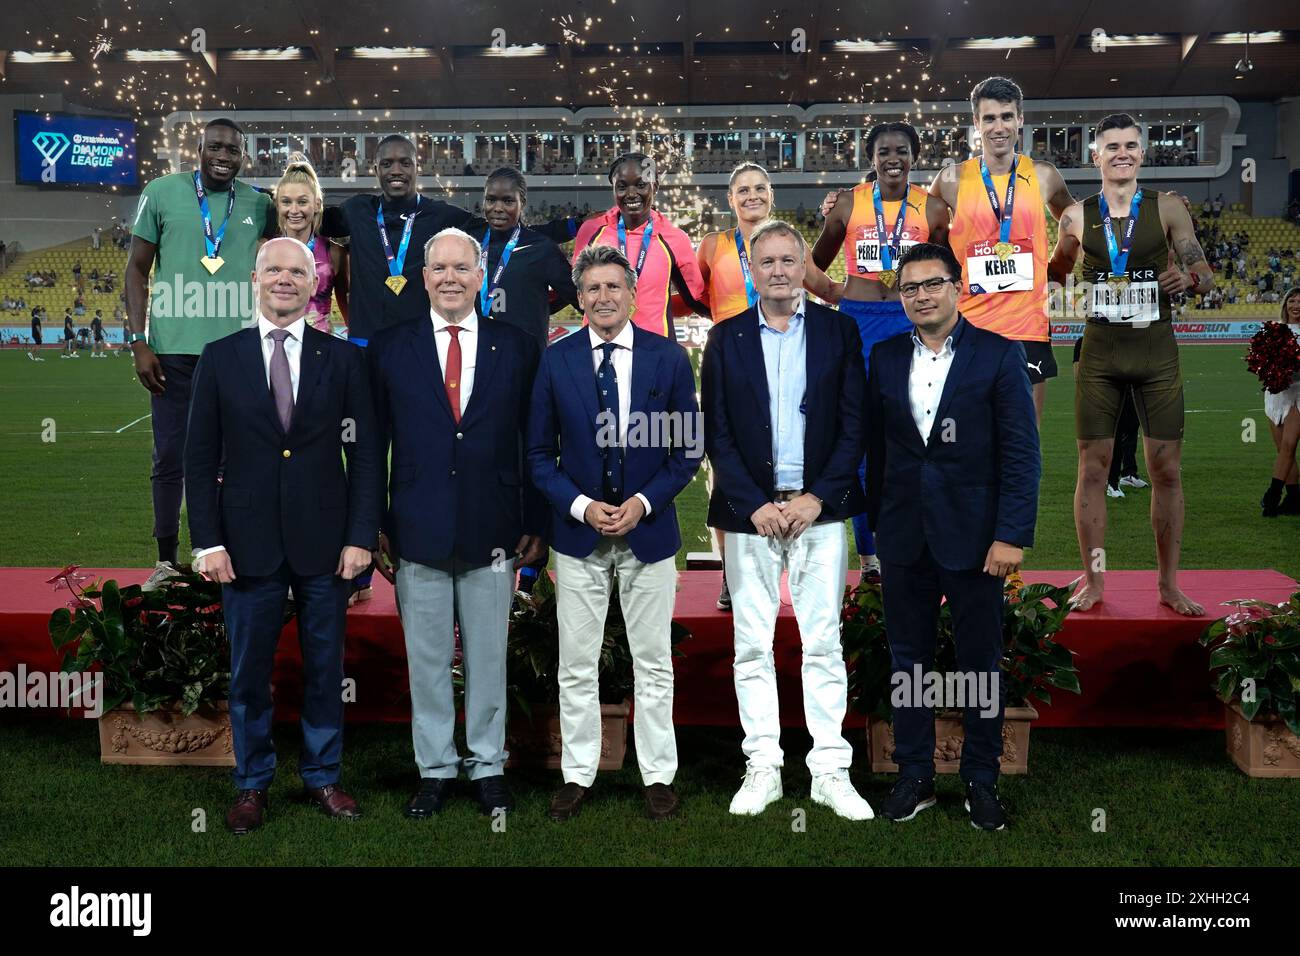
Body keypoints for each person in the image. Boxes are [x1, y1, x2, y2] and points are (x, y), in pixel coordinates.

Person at [184, 237, 381, 835]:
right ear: (255, 278)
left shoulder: (342, 359)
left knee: (325, 667)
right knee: (248, 674)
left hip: (326, 543)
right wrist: (207, 542)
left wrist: (360, 536)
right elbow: (197, 459)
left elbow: (367, 455)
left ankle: (323, 777)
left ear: (314, 282)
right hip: (245, 547)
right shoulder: (219, 357)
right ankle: (251, 783)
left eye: (298, 271)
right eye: (275, 270)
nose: (286, 280)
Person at [368, 228, 546, 819]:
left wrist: (536, 518)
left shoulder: (516, 346)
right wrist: (373, 522)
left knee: (489, 654)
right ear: (424, 278)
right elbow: (371, 447)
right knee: (427, 657)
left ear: (479, 275)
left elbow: (538, 443)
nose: (450, 277)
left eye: (461, 268)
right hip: (416, 525)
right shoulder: (391, 347)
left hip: (495, 528)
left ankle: (488, 764)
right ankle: (436, 768)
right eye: (439, 268)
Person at [701, 220, 874, 821]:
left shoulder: (840, 331)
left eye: (787, 260)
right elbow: (715, 431)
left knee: (823, 641)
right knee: (751, 644)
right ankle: (764, 765)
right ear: (750, 270)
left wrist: (816, 499)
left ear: (804, 267)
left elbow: (855, 427)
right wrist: (751, 502)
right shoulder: (724, 339)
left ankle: (829, 768)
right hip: (749, 514)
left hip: (817, 513)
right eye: (765, 261)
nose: (777, 270)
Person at [865, 242, 1040, 830]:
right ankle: (914, 775)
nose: (920, 295)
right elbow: (879, 451)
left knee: (980, 665)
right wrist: (878, 528)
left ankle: (981, 778)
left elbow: (1021, 453)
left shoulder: (997, 354)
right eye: (909, 288)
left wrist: (1011, 534)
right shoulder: (885, 357)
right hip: (904, 538)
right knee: (909, 662)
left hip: (977, 540)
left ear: (956, 287)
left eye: (931, 284)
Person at [527, 244, 701, 821]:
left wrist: (643, 503)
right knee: (576, 662)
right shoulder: (556, 360)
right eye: (593, 289)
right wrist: (580, 507)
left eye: (613, 287)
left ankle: (658, 775)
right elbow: (537, 456)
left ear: (633, 294)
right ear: (578, 300)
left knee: (653, 662)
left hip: (648, 537)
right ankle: (579, 773)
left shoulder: (668, 359)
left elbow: (686, 452)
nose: (603, 297)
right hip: (579, 538)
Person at [1049, 113, 1213, 616]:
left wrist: (1189, 280)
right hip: (1099, 353)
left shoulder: (1167, 208)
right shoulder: (1075, 216)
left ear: (1142, 153)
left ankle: (1168, 583)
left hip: (1156, 352)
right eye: (1111, 146)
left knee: (1166, 469)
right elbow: (1056, 276)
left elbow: (1204, 275)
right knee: (1093, 469)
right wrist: (1062, 282)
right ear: (1095, 156)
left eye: (1131, 146)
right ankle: (1095, 581)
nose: (1122, 153)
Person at [126, 117, 276, 590]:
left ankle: (223, 554)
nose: (223, 157)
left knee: (233, 461)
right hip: (172, 353)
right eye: (215, 147)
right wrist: (139, 340)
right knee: (170, 455)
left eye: (233, 150)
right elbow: (135, 269)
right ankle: (167, 561)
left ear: (243, 155)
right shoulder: (161, 191)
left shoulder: (259, 203)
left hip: (237, 355)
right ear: (199, 148)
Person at [696, 161, 843, 610]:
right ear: (731, 198)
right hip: (732, 361)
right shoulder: (710, 246)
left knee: (801, 451)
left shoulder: (790, 247)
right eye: (743, 189)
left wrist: (887, 297)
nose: (752, 196)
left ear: (771, 194)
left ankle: (811, 559)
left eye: (760, 188)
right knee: (726, 469)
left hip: (790, 354)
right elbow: (698, 297)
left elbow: (829, 290)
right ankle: (729, 571)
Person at [814, 121, 951, 580]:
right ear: (870, 157)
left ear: (914, 156)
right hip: (856, 323)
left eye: (902, 151)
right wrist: (837, 294)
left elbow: (944, 269)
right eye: (883, 152)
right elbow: (814, 262)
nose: (893, 159)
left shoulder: (932, 208)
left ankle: (910, 544)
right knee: (855, 439)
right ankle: (868, 556)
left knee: (907, 438)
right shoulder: (850, 202)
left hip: (910, 324)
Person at [929, 76, 1075, 423]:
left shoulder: (1044, 176)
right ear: (976, 123)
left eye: (1007, 116)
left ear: (1020, 119)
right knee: (967, 441)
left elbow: (1077, 224)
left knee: (1023, 441)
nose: (999, 127)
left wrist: (1056, 269)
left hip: (1028, 329)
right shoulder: (950, 180)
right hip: (967, 327)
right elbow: (918, 234)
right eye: (990, 118)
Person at [571, 152, 709, 337]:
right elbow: (576, 290)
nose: (631, 193)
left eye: (641, 185)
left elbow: (695, 299)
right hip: (600, 349)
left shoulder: (675, 239)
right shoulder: (591, 231)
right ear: (613, 189)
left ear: (655, 186)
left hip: (655, 352)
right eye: (622, 187)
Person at [472, 166, 579, 346]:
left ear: (522, 202)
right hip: (479, 359)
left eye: (508, 201)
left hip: (528, 365)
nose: (498, 208)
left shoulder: (541, 248)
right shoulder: (470, 245)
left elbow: (578, 296)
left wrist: (543, 307)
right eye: (491, 200)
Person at [274, 153, 348, 335]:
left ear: (317, 204)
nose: (294, 210)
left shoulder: (335, 254)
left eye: (302, 202)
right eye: (286, 202)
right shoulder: (266, 250)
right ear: (277, 205)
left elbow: (347, 309)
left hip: (320, 351)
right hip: (275, 347)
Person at [1072, 337, 1145, 498]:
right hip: (1100, 397)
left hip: (1125, 392)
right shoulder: (1083, 342)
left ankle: (1124, 476)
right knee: (1105, 440)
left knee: (1127, 431)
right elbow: (1078, 373)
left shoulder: (1118, 341)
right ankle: (1109, 481)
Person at [1261, 289, 1300, 516]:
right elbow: (1261, 361)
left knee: (1288, 446)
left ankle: (1272, 496)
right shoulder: (1275, 329)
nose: (1295, 306)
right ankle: (1294, 498)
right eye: (1291, 301)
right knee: (1282, 450)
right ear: (1285, 305)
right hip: (1276, 394)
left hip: (1297, 395)